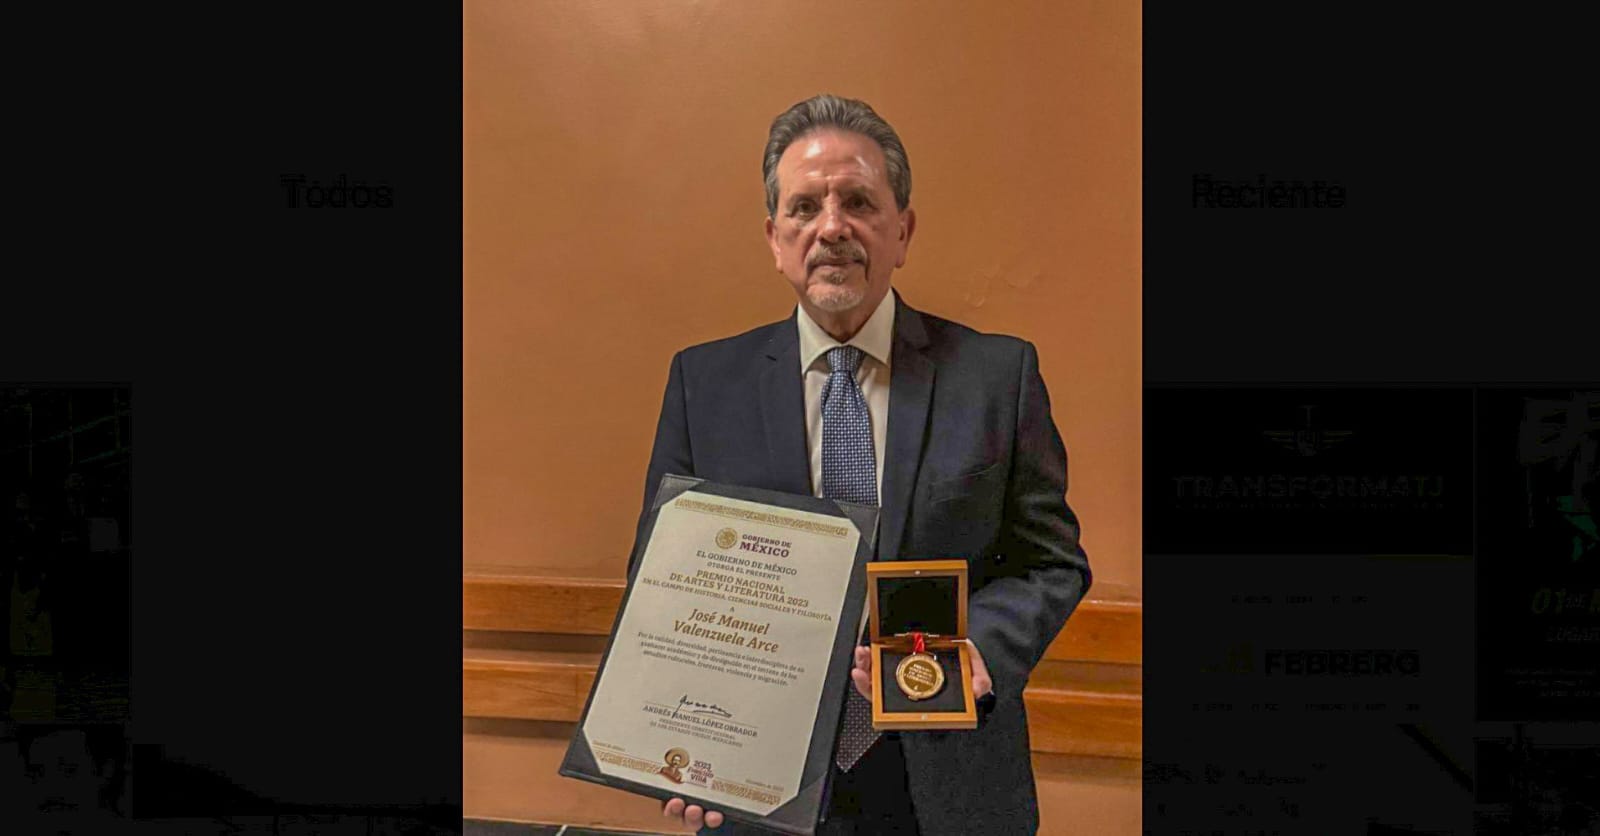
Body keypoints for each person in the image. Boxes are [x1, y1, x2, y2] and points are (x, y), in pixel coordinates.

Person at [631, 95, 1092, 835]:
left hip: (951, 779)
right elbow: (664, 582)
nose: (831, 227)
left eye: (858, 202)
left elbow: (1053, 562)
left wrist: (981, 648)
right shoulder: (703, 384)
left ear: (902, 230)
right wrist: (675, 740)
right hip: (764, 783)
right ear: (775, 239)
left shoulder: (995, 377)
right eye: (804, 207)